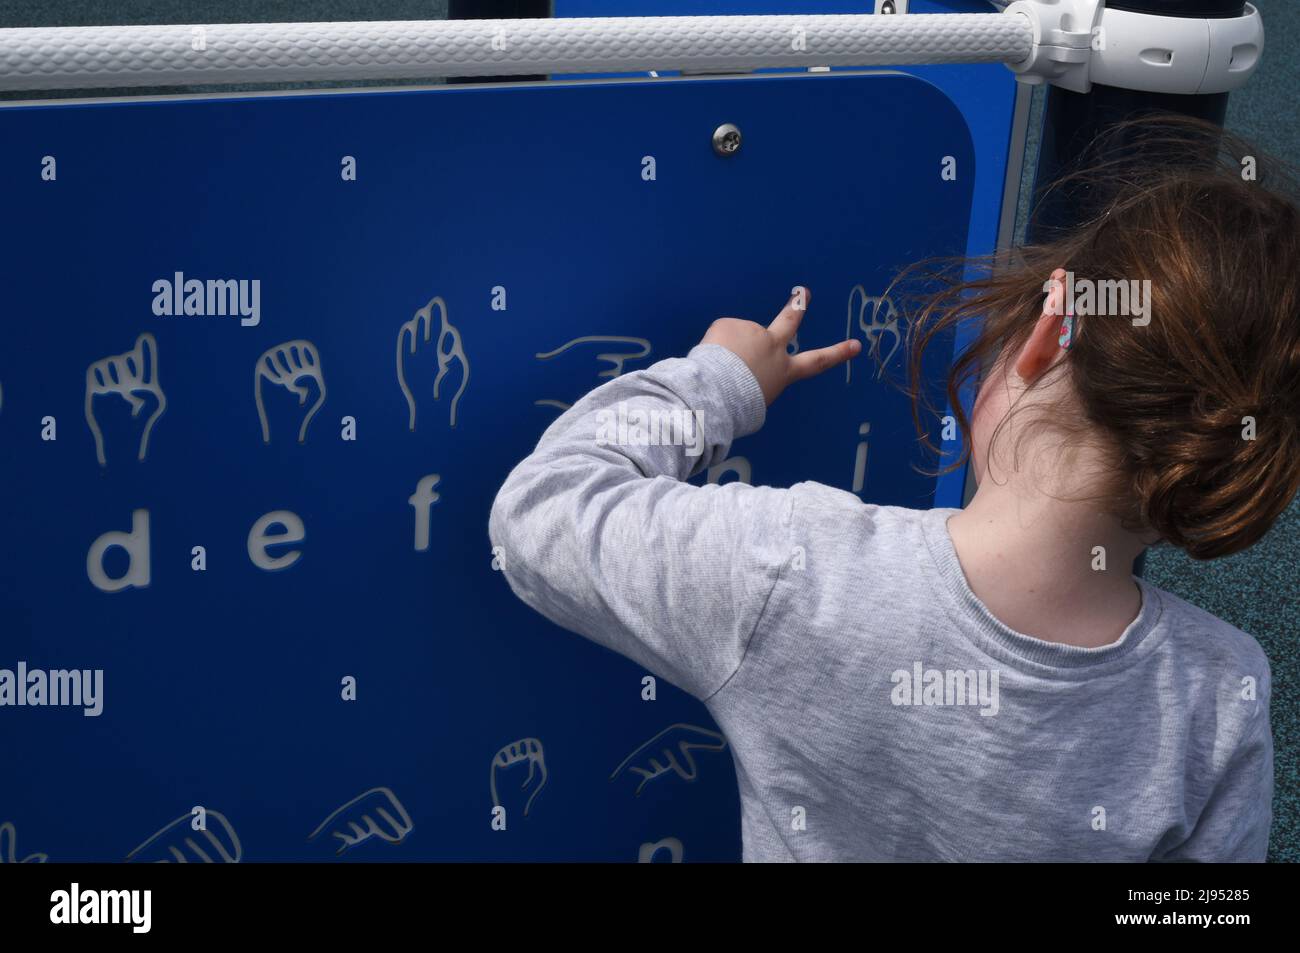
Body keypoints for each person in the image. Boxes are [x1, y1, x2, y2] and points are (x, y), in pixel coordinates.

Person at [489, 117, 1296, 861]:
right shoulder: (1219, 694)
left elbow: (541, 514)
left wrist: (717, 384)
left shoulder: (793, 574)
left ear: (1051, 332)